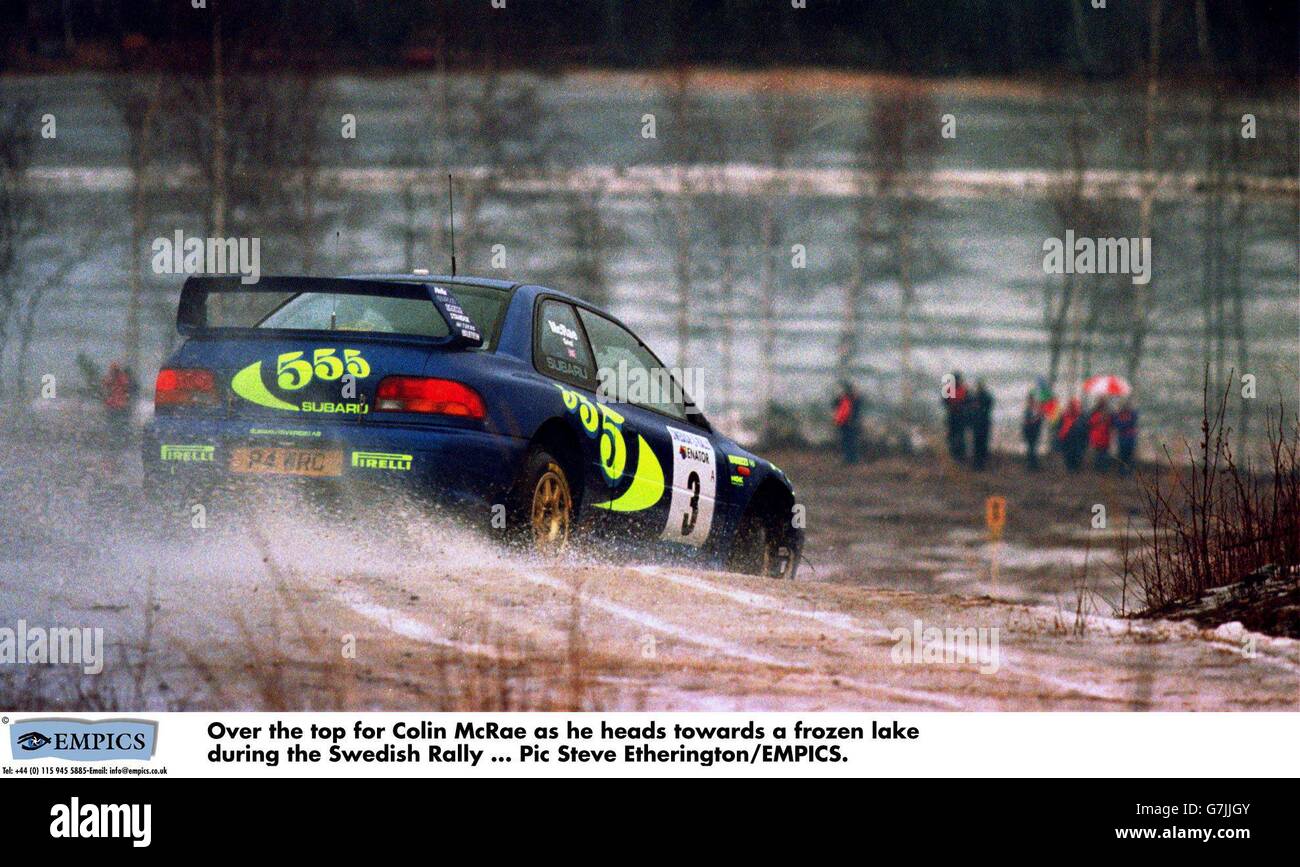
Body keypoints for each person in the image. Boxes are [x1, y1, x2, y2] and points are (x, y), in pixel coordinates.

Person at [102, 362, 137, 442]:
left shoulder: (118, 378)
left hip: (116, 405)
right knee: (118, 423)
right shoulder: (121, 378)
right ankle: (119, 438)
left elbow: (106, 384)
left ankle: (117, 438)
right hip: (118, 405)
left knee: (116, 423)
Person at [832, 381, 862, 465]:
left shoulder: (849, 399)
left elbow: (835, 405)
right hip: (847, 423)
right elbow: (835, 404)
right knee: (849, 441)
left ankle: (850, 459)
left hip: (846, 423)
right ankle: (850, 458)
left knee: (848, 441)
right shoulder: (851, 399)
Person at [942, 371, 969, 462]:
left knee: (956, 435)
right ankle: (957, 455)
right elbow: (968, 402)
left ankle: (957, 455)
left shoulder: (952, 389)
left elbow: (944, 402)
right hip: (957, 415)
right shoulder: (961, 389)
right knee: (956, 435)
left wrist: (953, 406)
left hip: (956, 415)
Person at [1056, 397, 1085, 472]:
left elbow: (1083, 427)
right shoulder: (1065, 415)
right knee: (1068, 453)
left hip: (1076, 438)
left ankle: (1074, 466)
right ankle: (1070, 467)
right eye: (1072, 406)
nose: (1073, 407)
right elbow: (1060, 426)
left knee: (1076, 453)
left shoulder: (1079, 416)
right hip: (1067, 438)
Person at [971, 379, 994, 470]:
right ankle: (980, 463)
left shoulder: (977, 397)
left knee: (979, 444)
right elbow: (989, 407)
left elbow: (987, 408)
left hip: (981, 424)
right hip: (982, 423)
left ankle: (979, 464)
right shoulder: (986, 396)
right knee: (981, 444)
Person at [1113, 398, 1139, 475]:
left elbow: (1130, 422)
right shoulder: (1119, 416)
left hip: (1129, 438)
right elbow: (1118, 425)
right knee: (1123, 456)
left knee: (1128, 456)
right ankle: (1123, 472)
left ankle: (1127, 471)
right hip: (1123, 438)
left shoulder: (1131, 415)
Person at [1088, 397, 1112, 472]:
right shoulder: (1096, 414)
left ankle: (1101, 467)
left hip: (1103, 436)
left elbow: (1110, 424)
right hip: (1099, 436)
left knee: (1102, 453)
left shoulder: (1106, 414)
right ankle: (1100, 468)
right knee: (1100, 453)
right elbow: (1091, 423)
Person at [1021, 390, 1043, 471]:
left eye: (1031, 399)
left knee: (1032, 448)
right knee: (1031, 448)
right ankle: (1032, 465)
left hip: (1034, 431)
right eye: (1029, 399)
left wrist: (1035, 420)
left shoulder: (1035, 409)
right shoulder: (1028, 409)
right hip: (1029, 431)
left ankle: (1033, 465)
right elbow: (1026, 422)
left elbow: (1038, 420)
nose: (1030, 401)